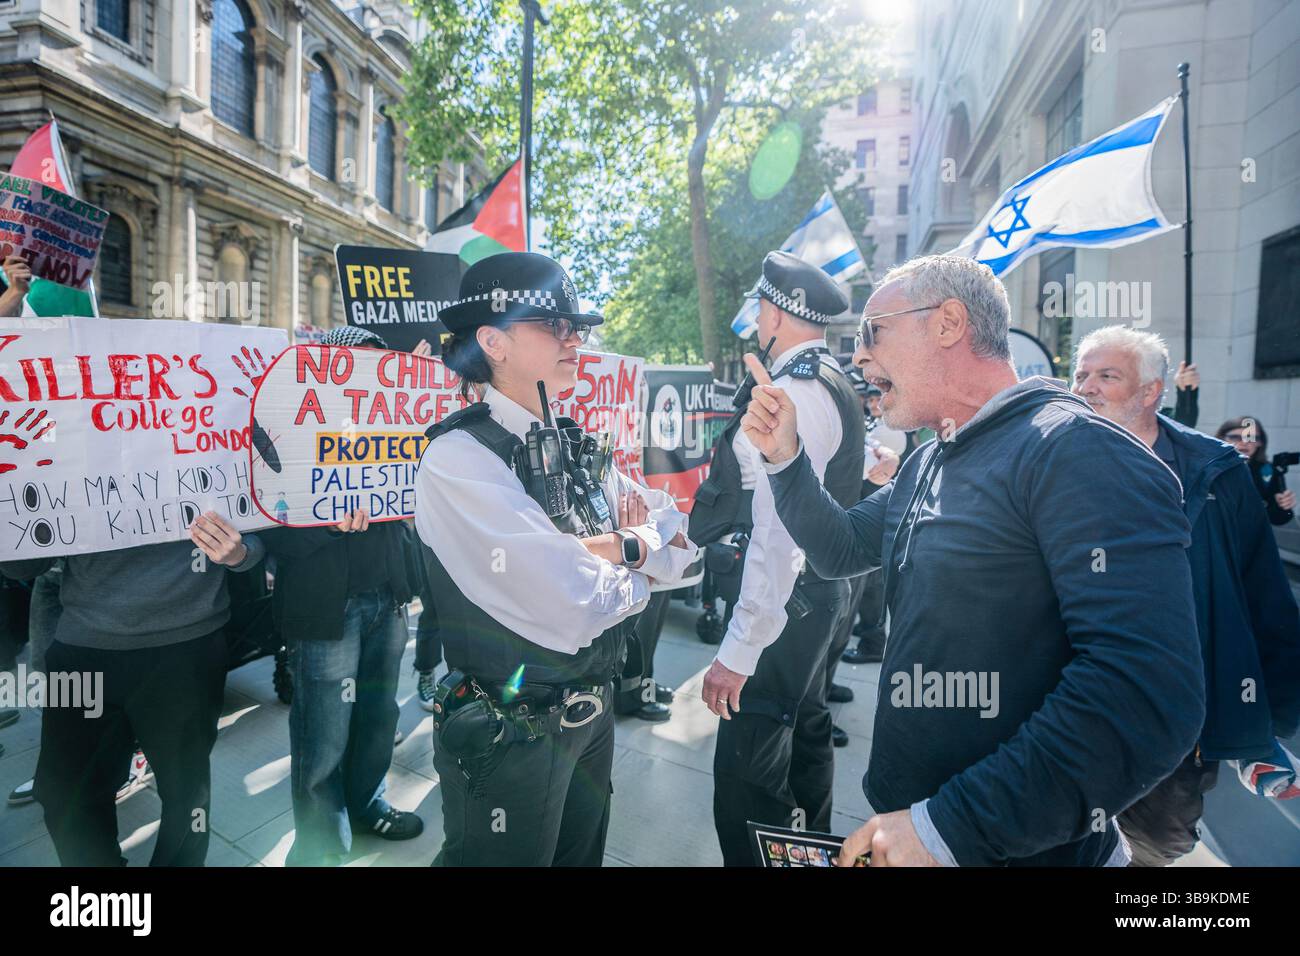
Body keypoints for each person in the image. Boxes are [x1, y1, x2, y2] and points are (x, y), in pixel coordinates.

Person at [742, 254, 1205, 866]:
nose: (858, 356)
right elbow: (840, 550)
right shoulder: (928, 459)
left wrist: (949, 829)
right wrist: (785, 457)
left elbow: (1146, 692)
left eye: (873, 332)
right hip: (912, 830)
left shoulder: (1078, 452)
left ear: (948, 323)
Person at [415, 251, 695, 866]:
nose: (576, 338)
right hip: (509, 728)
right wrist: (637, 552)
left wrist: (621, 551)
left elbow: (680, 542)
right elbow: (568, 599)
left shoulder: (576, 442)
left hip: (590, 715)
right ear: (493, 341)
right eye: (555, 325)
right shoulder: (457, 458)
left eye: (578, 326)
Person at [1072, 326, 1300, 865]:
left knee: (1157, 842)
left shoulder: (1215, 470)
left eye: (1107, 376)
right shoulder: (1049, 459)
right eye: (1081, 374)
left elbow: (1261, 590)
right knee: (1066, 835)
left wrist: (1269, 720)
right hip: (1077, 696)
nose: (1087, 386)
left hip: (1177, 710)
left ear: (1151, 391)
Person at [702, 251, 865, 866]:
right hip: (823, 594)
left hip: (791, 602)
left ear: (773, 313)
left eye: (758, 310)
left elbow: (778, 534)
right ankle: (810, 857)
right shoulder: (831, 378)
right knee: (806, 737)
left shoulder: (793, 389)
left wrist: (738, 652)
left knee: (750, 773)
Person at [0, 515, 263, 865]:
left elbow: (261, 532)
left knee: (186, 793)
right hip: (83, 640)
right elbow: (22, 567)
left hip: (186, 642)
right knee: (64, 794)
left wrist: (240, 553)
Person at [258, 324, 427, 865]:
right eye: (361, 369)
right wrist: (326, 524)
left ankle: (368, 804)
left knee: (378, 716)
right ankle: (319, 845)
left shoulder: (398, 434)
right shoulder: (287, 436)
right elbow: (267, 527)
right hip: (326, 609)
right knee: (323, 732)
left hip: (389, 599)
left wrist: (422, 390)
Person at [1215, 416, 1296, 526]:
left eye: (1251, 437)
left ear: (1260, 442)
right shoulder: (1207, 469)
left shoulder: (1268, 471)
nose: (1244, 442)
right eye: (1235, 437)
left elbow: (1278, 519)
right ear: (1222, 439)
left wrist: (1283, 506)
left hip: (1249, 539)